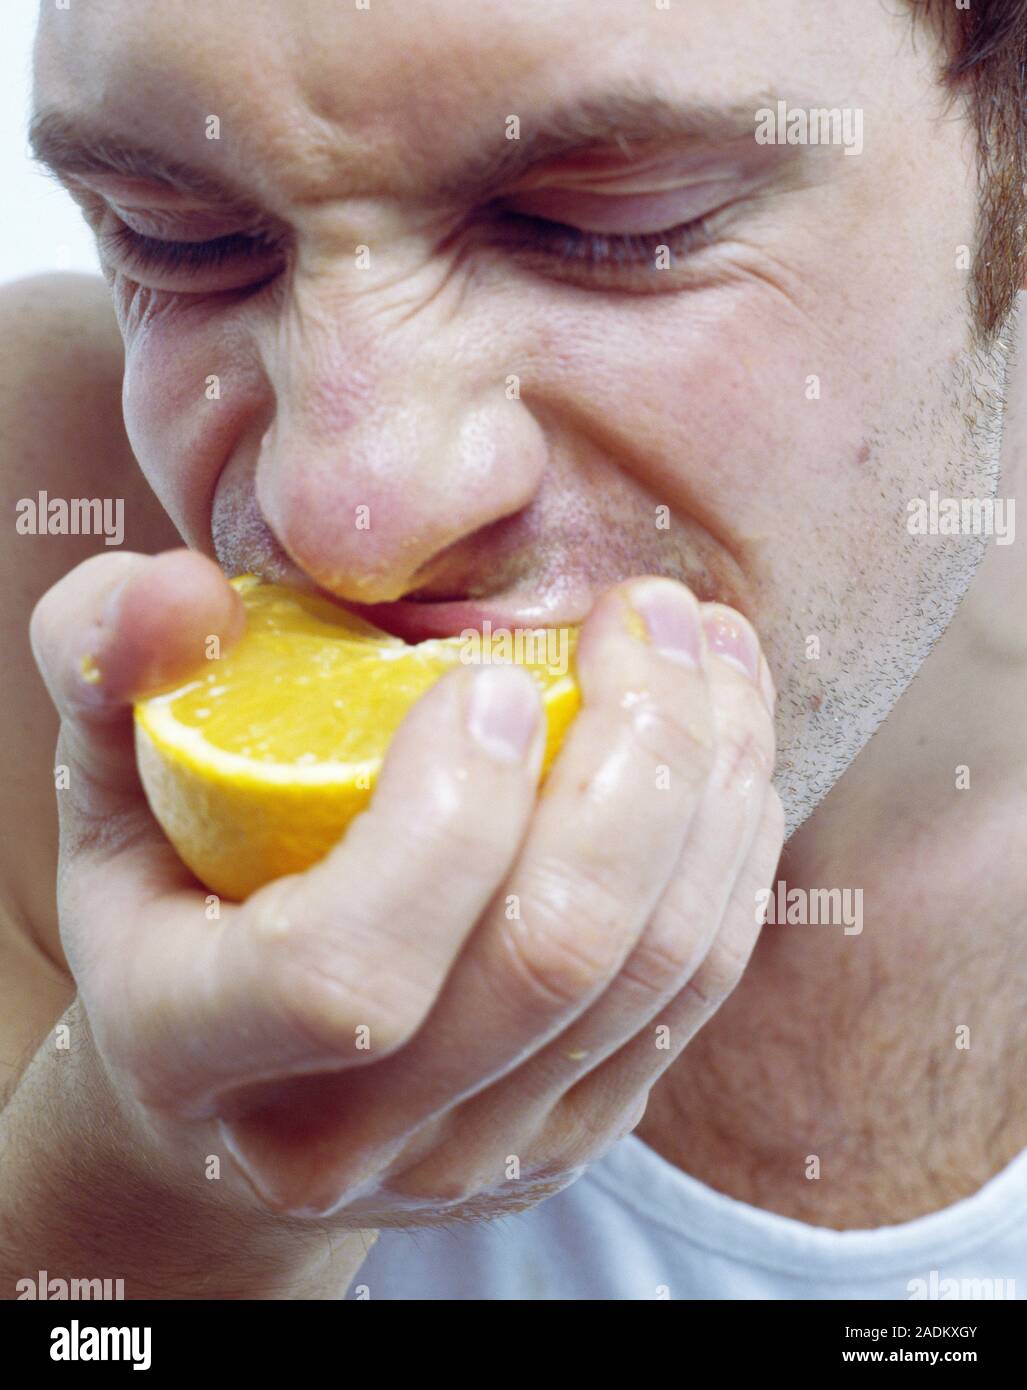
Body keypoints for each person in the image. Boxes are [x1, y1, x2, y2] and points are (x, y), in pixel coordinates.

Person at [2, 0, 1024, 1300]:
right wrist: (153, 1197)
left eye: (606, 228)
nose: (349, 518)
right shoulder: (49, 546)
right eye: (177, 239)